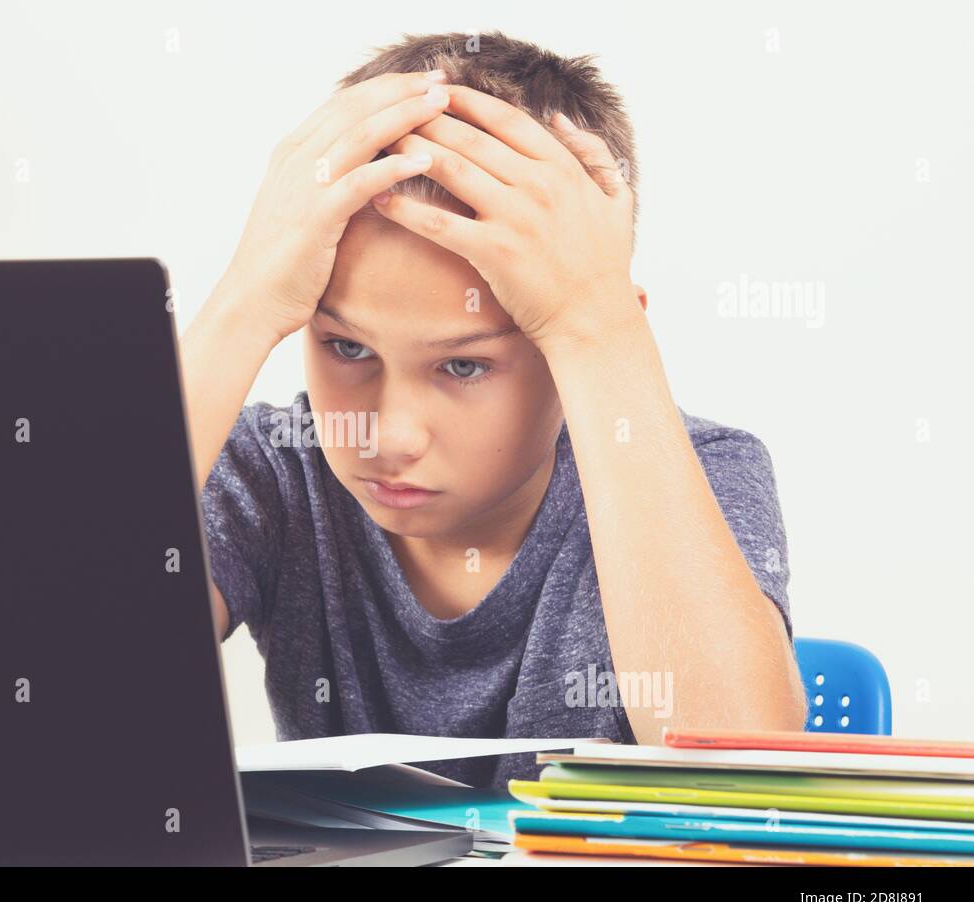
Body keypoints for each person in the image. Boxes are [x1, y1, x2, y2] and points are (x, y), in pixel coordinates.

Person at [180, 31, 806, 788]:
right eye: (346, 349)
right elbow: (53, 684)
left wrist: (601, 331)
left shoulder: (705, 471)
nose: (392, 436)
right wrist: (243, 303)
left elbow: (741, 766)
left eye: (465, 364)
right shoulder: (274, 471)